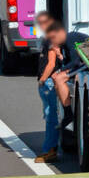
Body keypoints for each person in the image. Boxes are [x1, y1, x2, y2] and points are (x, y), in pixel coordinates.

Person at [35, 12, 60, 163]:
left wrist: (43, 79)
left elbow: (51, 62)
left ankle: (49, 149)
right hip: (47, 81)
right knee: (49, 115)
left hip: (48, 82)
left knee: (51, 116)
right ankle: (49, 148)